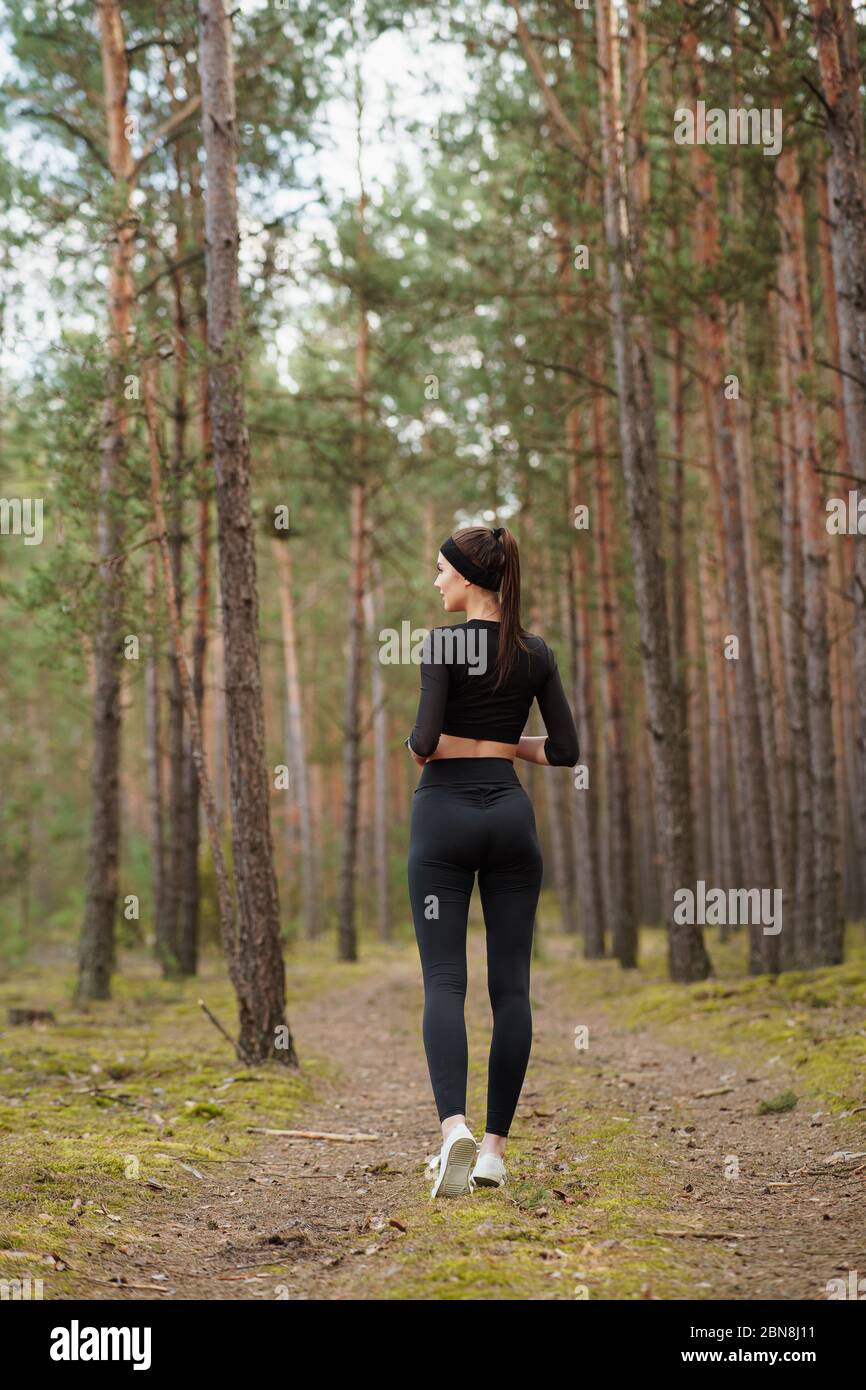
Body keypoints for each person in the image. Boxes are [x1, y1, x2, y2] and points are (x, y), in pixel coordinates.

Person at [405, 525, 579, 1198]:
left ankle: (454, 1129)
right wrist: (502, 748)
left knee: (445, 980)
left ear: (470, 580)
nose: (437, 581)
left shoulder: (442, 644)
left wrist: (452, 744)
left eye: (442, 571)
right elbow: (565, 751)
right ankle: (496, 1153)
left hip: (442, 822)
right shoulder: (534, 652)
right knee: (511, 988)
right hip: (511, 822)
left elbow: (423, 744)